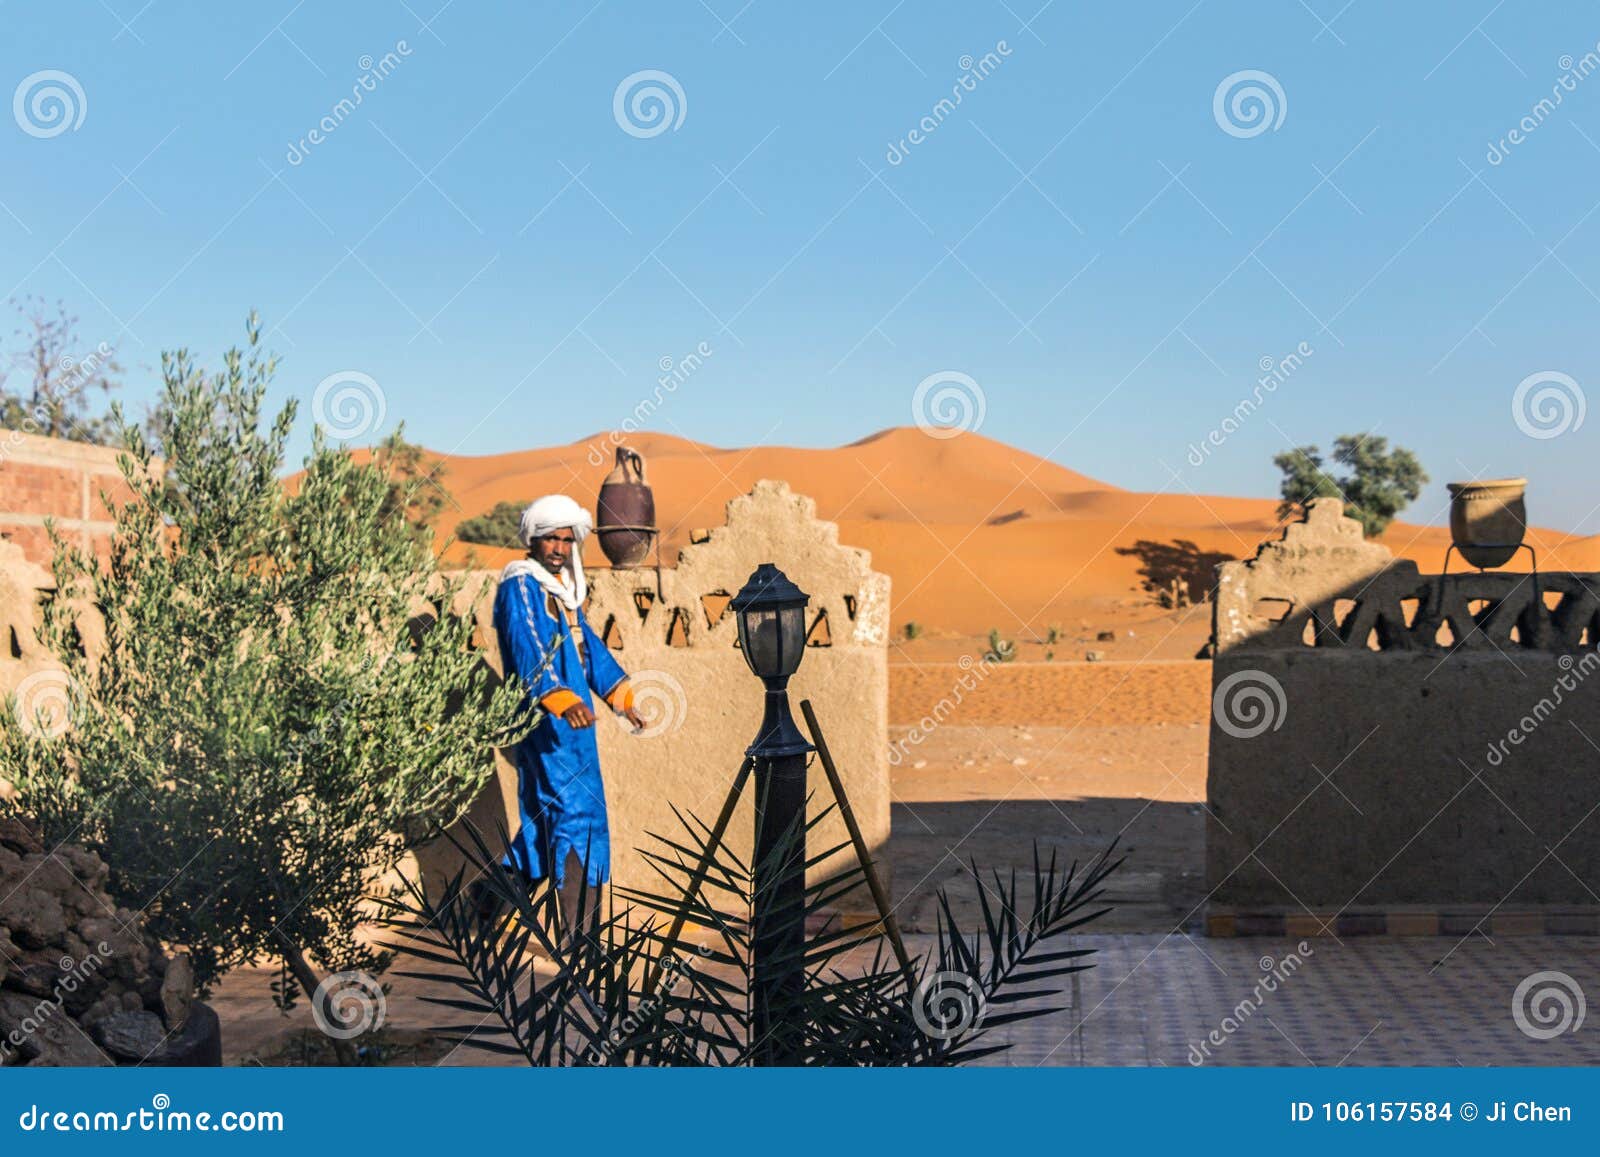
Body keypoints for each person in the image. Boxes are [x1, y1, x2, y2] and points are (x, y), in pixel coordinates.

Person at [492, 494, 645, 910]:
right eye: (550, 540)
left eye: (566, 540)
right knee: (578, 816)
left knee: (544, 826)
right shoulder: (519, 585)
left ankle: (480, 914)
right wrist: (559, 698)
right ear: (534, 541)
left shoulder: (560, 592)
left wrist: (621, 696)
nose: (559, 549)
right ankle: (581, 948)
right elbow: (529, 645)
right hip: (549, 724)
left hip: (574, 727)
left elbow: (587, 647)